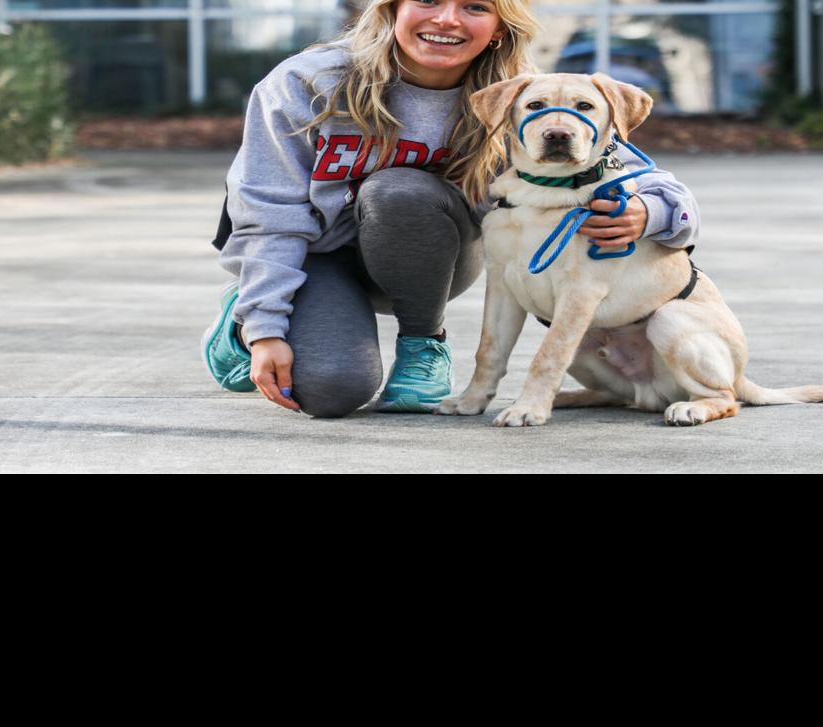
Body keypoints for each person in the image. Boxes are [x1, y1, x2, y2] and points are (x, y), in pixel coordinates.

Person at [204, 0, 701, 416]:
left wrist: (650, 214)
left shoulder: (524, 98)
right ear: (392, 10)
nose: (446, 19)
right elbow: (267, 213)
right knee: (332, 390)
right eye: (427, 0)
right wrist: (265, 326)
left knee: (399, 191)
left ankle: (423, 344)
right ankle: (242, 319)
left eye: (474, 7)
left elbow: (643, 180)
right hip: (318, 258)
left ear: (499, 27)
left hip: (429, 257)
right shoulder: (307, 82)